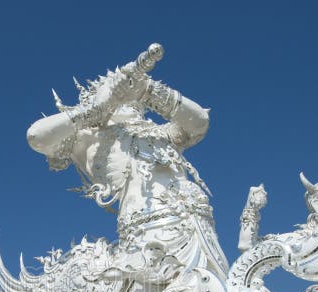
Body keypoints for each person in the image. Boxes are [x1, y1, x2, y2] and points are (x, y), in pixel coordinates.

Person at [26, 44, 228, 279]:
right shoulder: (84, 138)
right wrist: (96, 110)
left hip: (199, 228)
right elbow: (37, 137)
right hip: (145, 234)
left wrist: (149, 91)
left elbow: (200, 122)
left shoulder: (162, 134)